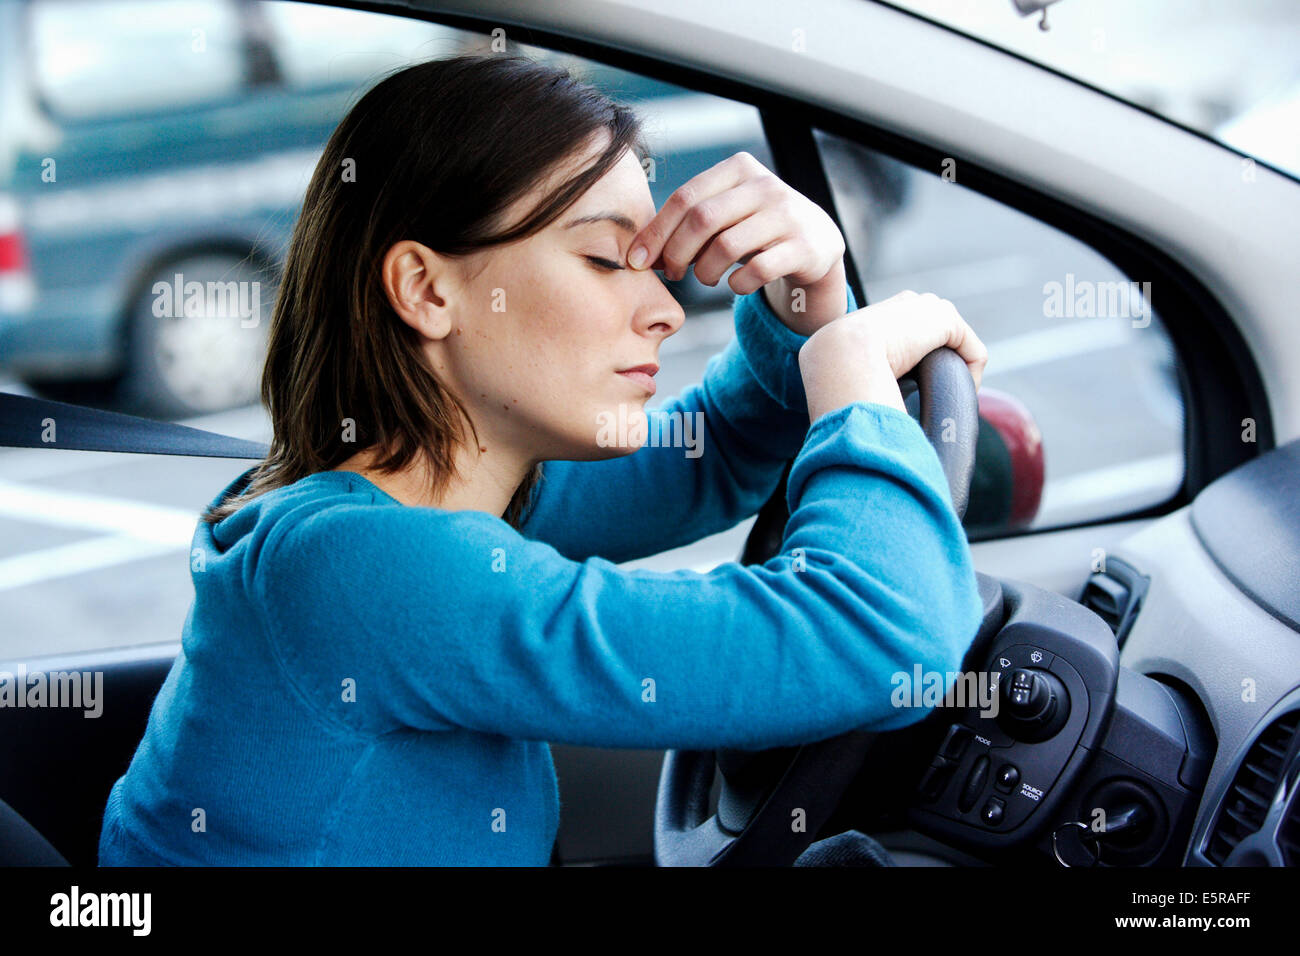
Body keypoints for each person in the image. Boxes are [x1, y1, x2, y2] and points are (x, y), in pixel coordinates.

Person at [98, 52, 987, 866]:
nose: (667, 310)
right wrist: (854, 375)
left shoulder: (432, 498)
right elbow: (880, 637)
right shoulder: (364, 572)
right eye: (606, 259)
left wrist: (806, 307)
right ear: (427, 289)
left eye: (652, 263)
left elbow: (704, 460)